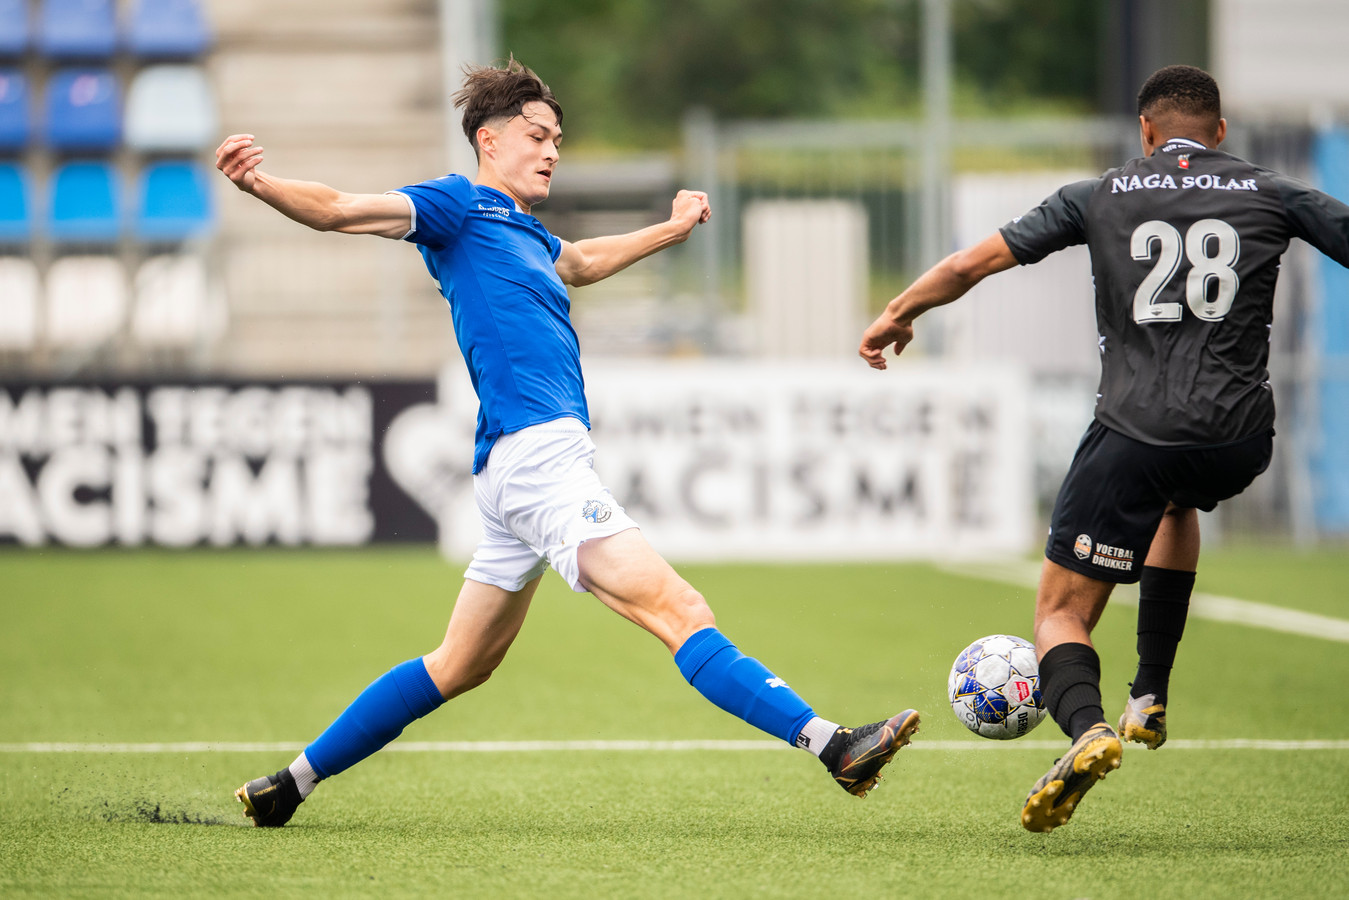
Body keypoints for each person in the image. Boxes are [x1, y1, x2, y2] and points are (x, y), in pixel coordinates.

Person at [218, 58, 919, 828]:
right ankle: (833, 746)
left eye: (557, 139)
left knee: (458, 665)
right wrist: (263, 184)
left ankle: (292, 782)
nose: (552, 151)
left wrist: (675, 227)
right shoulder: (456, 205)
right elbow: (339, 208)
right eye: (537, 135)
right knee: (679, 609)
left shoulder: (522, 231)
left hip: (511, 468)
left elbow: (580, 262)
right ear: (489, 140)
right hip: (537, 462)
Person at [860, 64, 1349, 833]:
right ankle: (1148, 692)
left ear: (1146, 132)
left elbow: (969, 264)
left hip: (1134, 431)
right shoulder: (1270, 191)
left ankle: (1087, 728)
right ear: (1220, 132)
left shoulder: (1099, 194)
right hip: (1239, 435)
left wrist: (897, 312)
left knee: (1058, 612)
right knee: (1177, 499)